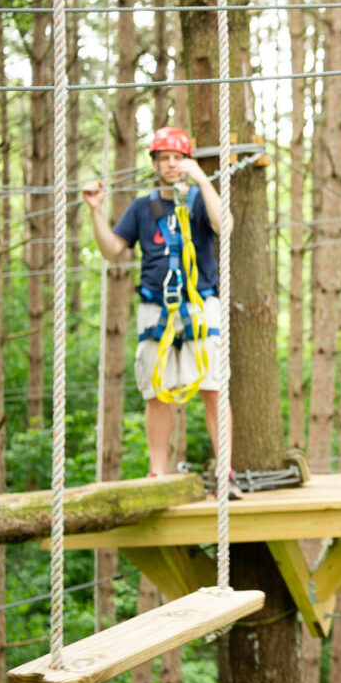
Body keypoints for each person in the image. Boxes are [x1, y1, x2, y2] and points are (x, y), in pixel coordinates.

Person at [83, 127, 230, 479]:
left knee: (212, 386)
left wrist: (203, 181)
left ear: (188, 161)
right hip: (155, 305)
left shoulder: (198, 200)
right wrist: (96, 213)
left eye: (178, 157)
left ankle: (225, 468)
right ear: (155, 163)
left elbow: (224, 226)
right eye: (164, 158)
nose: (171, 164)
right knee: (156, 392)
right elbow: (111, 249)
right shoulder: (141, 208)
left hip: (199, 301)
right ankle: (157, 472)